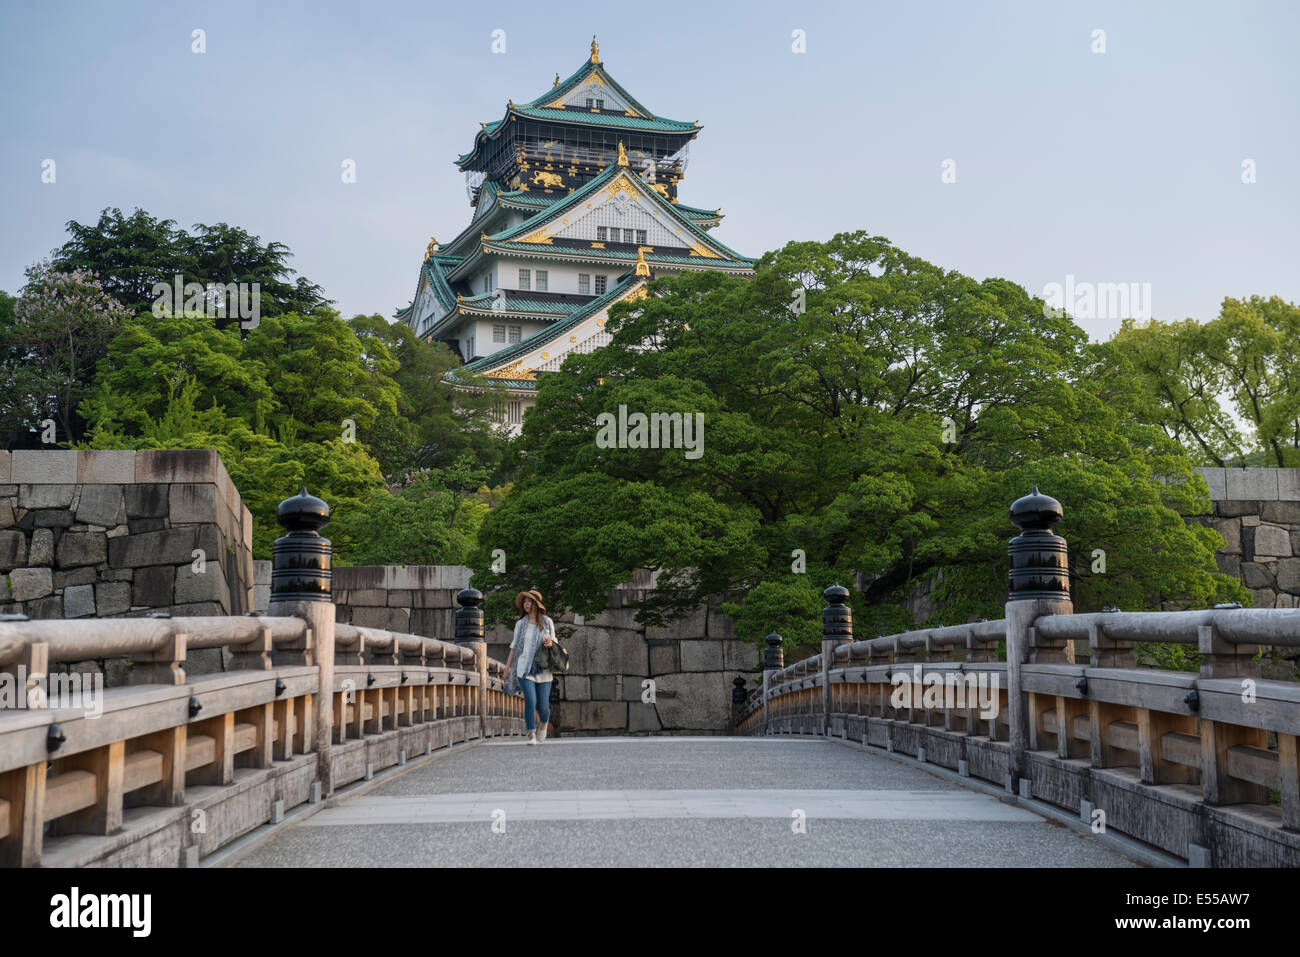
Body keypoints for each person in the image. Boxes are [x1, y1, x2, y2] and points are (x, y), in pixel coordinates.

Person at [503, 589, 555, 745]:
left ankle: (544, 722)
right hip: (524, 668)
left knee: (543, 707)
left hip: (543, 669)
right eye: (525, 601)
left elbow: (554, 643)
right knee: (530, 701)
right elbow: (514, 647)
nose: (526, 604)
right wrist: (507, 668)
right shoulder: (520, 624)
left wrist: (550, 643)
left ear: (537, 604)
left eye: (530, 601)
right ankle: (531, 734)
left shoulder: (547, 622)